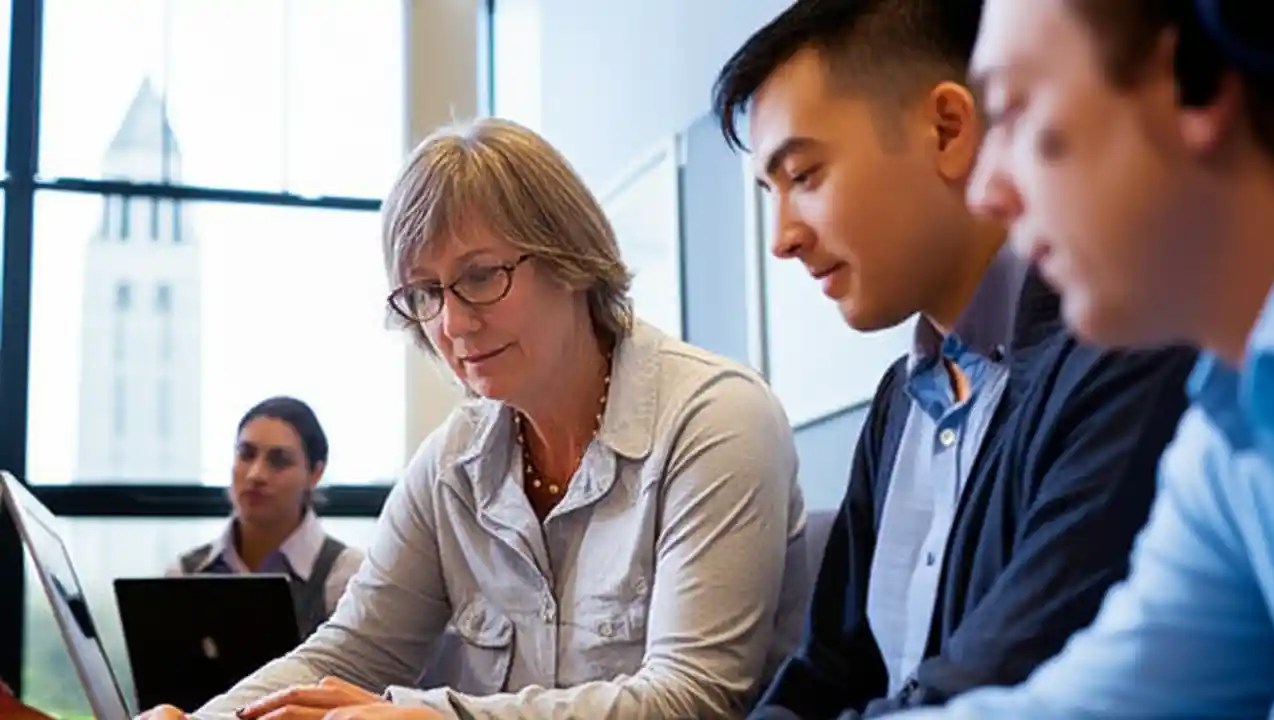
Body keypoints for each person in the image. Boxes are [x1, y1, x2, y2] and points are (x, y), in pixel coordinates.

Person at [139, 118, 807, 720]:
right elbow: (350, 652)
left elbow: (692, 699)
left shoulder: (717, 419)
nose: (452, 324)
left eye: (482, 276)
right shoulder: (450, 462)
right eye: (425, 294)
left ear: (570, 259)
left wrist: (439, 719)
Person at [711, 1, 1197, 717]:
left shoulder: (1122, 351)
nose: (782, 237)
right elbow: (826, 669)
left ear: (948, 130)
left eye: (806, 176)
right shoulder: (900, 402)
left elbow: (1003, 680)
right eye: (770, 194)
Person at [894, 1, 1274, 717]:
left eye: (1011, 111)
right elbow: (1093, 702)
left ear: (1190, 85)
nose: (986, 191)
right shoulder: (1230, 436)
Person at [169, 396, 363, 639]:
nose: (255, 474)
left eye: (279, 461)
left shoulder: (347, 577)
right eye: (246, 454)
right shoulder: (185, 573)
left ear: (315, 473)